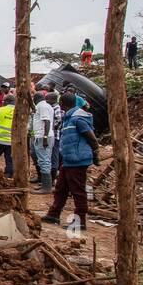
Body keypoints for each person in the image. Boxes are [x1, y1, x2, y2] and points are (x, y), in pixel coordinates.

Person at [42, 91, 99, 231]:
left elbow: (91, 137)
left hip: (77, 160)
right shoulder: (69, 117)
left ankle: (80, 221)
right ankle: (54, 214)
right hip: (69, 160)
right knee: (61, 188)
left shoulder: (78, 119)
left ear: (62, 104)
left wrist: (95, 154)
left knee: (78, 191)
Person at [31, 90, 55, 193]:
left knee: (44, 161)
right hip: (42, 136)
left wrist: (45, 137)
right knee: (43, 160)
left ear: (36, 99)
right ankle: (45, 185)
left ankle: (46, 188)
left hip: (43, 137)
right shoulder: (45, 106)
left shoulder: (42, 106)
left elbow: (47, 121)